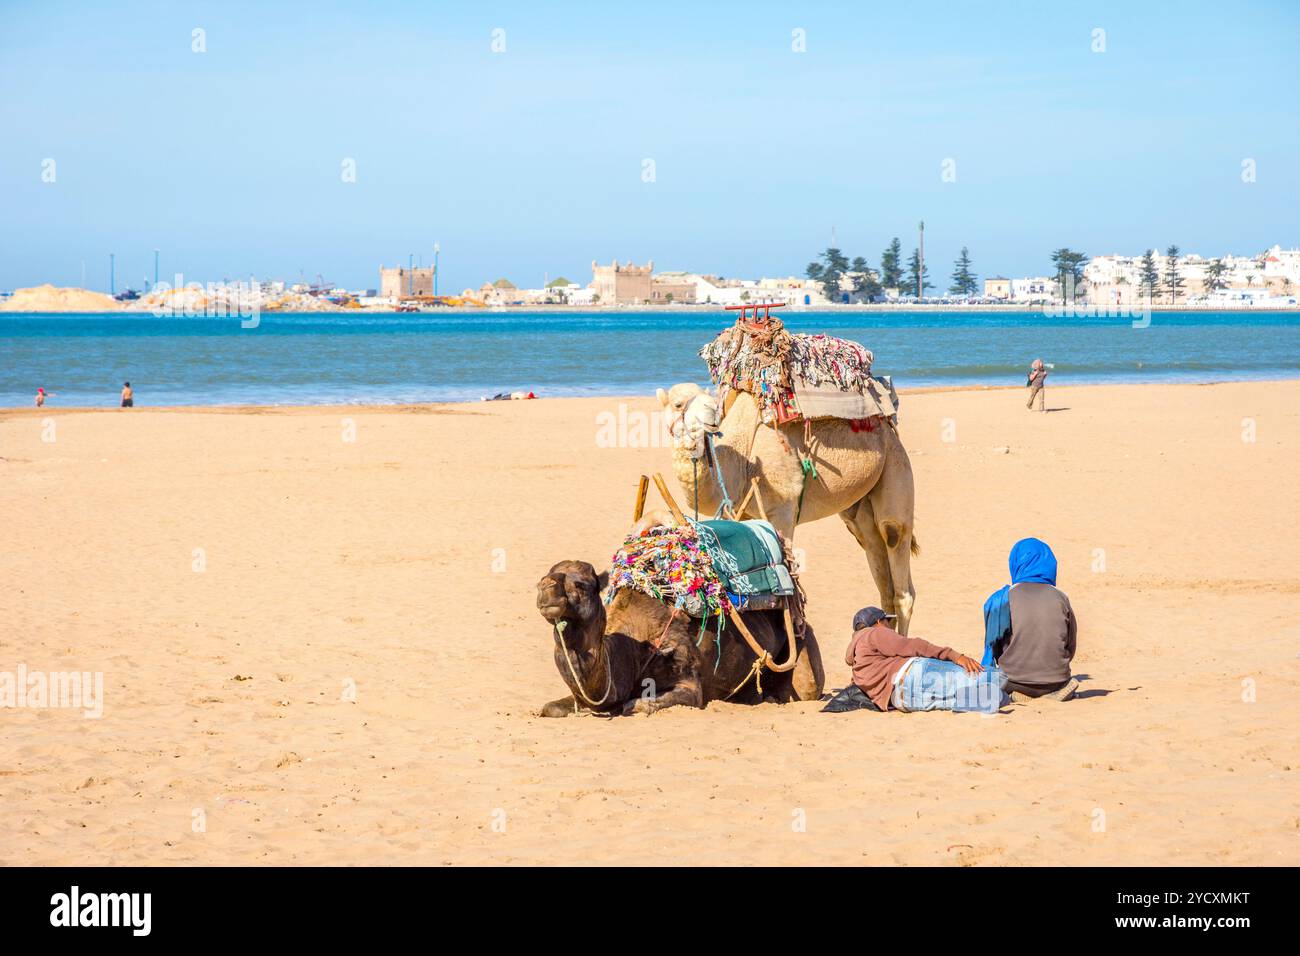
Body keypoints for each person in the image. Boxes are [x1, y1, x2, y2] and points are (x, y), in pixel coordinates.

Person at [845, 607, 1005, 713]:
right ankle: (1017, 686)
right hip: (910, 674)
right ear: (879, 622)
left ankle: (996, 697)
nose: (891, 627)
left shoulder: (858, 661)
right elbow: (912, 645)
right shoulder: (874, 633)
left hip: (902, 701)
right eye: (888, 621)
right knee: (992, 677)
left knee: (963, 697)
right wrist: (955, 656)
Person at [982, 537, 1078, 701]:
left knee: (999, 678)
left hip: (1013, 681)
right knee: (1060, 678)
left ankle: (1018, 694)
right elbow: (1070, 644)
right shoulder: (1061, 598)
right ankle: (1055, 689)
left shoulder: (1001, 599)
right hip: (1056, 679)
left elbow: (994, 646)